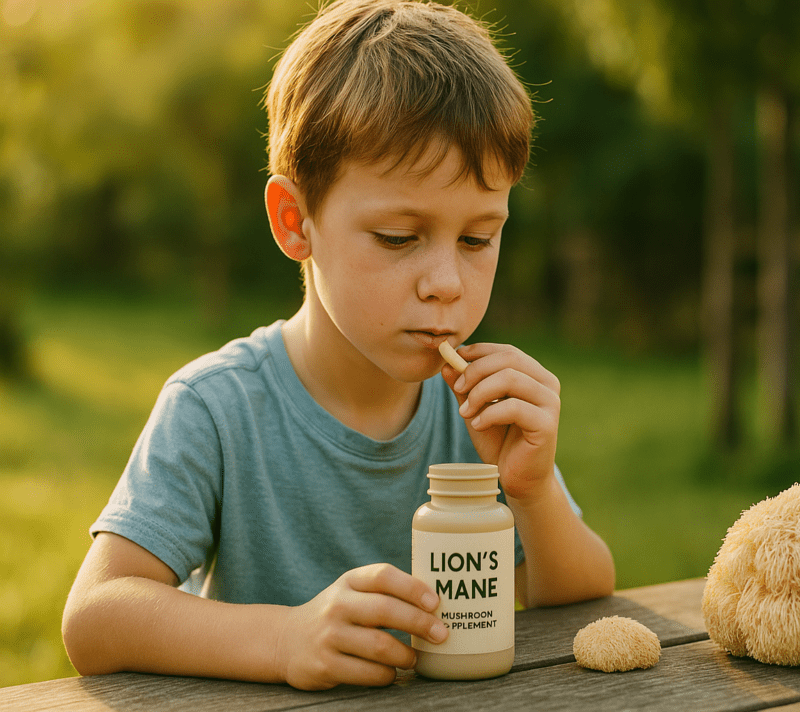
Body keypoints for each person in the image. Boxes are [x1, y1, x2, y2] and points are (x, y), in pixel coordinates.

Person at [61, 0, 614, 690]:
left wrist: (531, 491)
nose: (446, 283)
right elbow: (94, 616)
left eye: (477, 239)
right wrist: (283, 639)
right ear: (296, 222)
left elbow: (582, 594)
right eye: (398, 238)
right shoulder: (217, 408)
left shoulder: (473, 410)